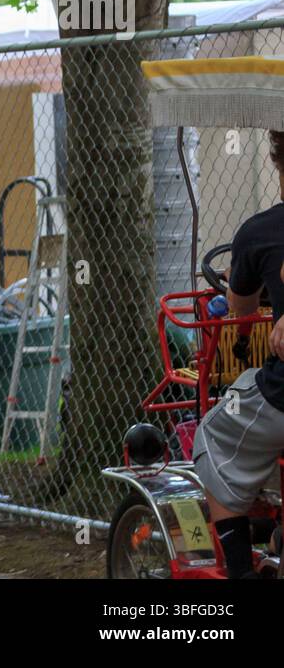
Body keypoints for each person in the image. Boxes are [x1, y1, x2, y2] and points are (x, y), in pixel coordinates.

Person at [193, 130, 284, 578]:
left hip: (281, 397)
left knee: (210, 432)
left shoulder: (260, 231)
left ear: (274, 159)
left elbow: (241, 310)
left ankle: (238, 570)